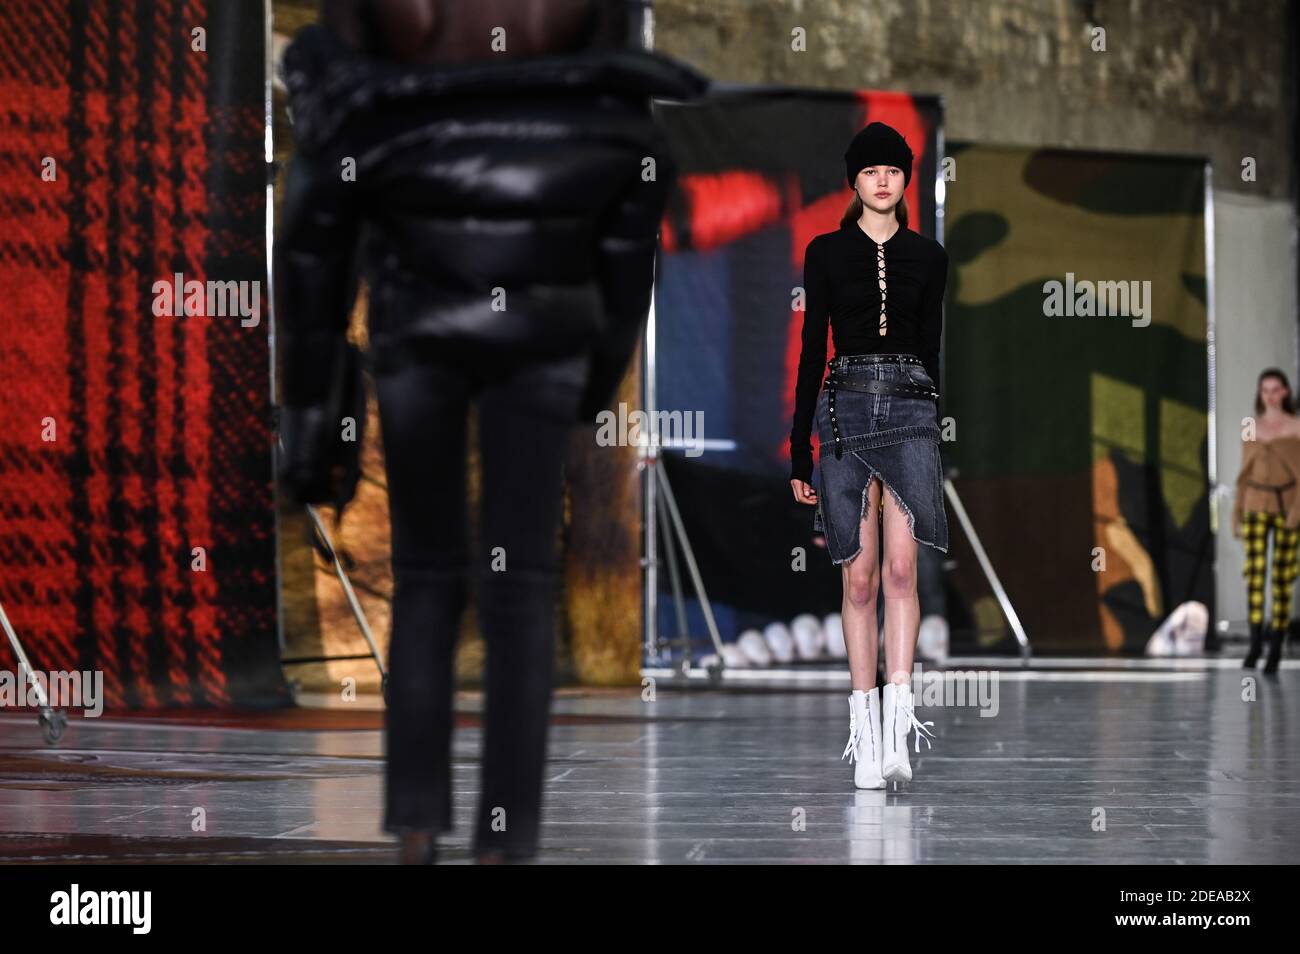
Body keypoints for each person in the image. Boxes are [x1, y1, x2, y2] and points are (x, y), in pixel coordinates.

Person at [274, 0, 708, 862]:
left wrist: (313, 403)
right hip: (542, 329)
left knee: (429, 576)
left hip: (420, 319)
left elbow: (317, 233)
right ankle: (507, 842)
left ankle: (417, 831)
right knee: (520, 590)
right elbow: (631, 220)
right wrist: (599, 364)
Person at [789, 122, 948, 789]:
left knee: (902, 574)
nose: (883, 179)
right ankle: (862, 725)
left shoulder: (929, 257)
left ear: (905, 180)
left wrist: (936, 428)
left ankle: (898, 728)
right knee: (857, 577)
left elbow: (933, 351)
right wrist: (800, 448)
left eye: (894, 170)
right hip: (845, 408)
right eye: (871, 170)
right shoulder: (825, 253)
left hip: (910, 407)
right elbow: (811, 350)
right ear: (854, 181)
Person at [1232, 368, 1300, 674]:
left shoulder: (1297, 425)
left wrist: (1298, 508)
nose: (1270, 395)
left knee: (1283, 576)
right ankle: (1255, 642)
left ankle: (1276, 646)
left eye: (1275, 389)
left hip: (1287, 504)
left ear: (1285, 392)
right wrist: (1236, 512)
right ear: (1260, 394)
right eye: (1265, 390)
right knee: (1256, 572)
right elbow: (1243, 471)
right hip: (1255, 503)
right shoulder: (1250, 425)